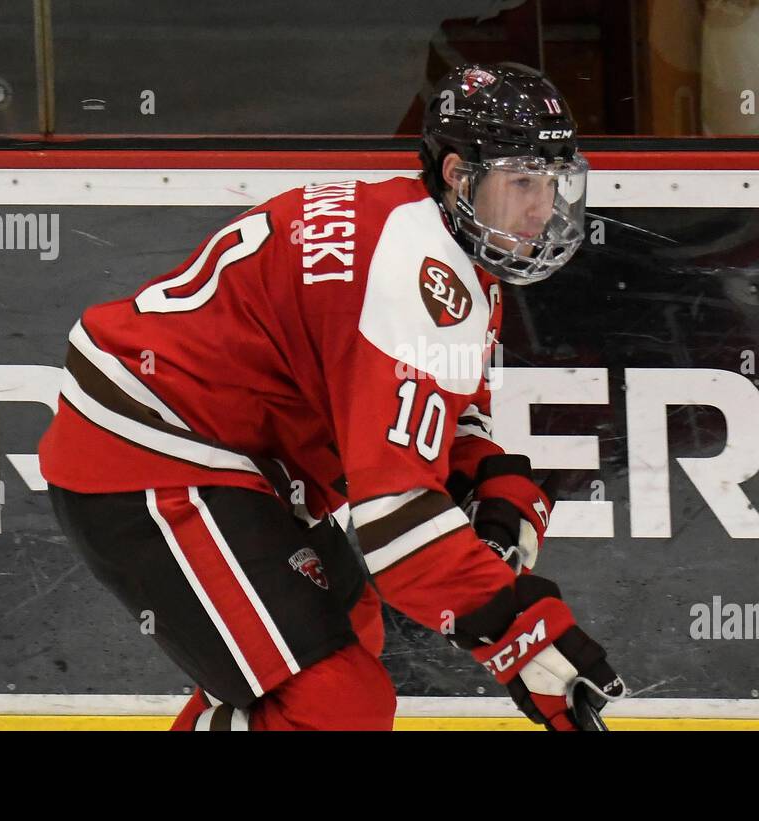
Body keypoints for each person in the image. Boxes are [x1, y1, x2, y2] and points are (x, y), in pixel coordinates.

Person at [37, 62, 625, 731]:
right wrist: (525, 640)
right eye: (523, 182)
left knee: (346, 632)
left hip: (219, 446)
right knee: (336, 703)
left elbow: (439, 415)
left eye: (552, 183)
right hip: (150, 446)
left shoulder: (427, 236)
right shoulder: (416, 270)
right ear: (462, 177)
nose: (543, 208)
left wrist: (488, 485)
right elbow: (396, 529)